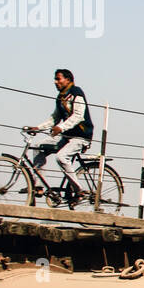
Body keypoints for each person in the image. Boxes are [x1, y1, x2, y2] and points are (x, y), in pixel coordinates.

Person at [25, 69, 93, 197]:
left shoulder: (76, 93)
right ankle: (38, 186)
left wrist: (61, 127)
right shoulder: (60, 97)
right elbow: (55, 118)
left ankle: (78, 190)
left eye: (58, 79)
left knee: (61, 157)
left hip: (81, 136)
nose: (55, 82)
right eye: (55, 79)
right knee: (37, 148)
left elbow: (78, 116)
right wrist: (38, 128)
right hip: (67, 135)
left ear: (68, 80)